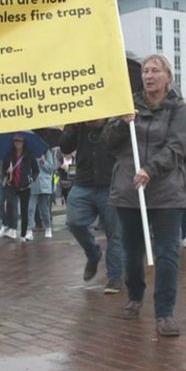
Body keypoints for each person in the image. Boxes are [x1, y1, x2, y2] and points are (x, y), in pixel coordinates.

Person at [102, 54, 186, 337]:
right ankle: (135, 294)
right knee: (132, 251)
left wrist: (151, 168)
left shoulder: (178, 109)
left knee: (167, 253)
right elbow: (107, 141)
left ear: (168, 76)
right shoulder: (128, 105)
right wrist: (120, 122)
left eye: (155, 71)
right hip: (130, 191)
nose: (149, 76)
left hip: (166, 193)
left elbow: (179, 145)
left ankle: (165, 312)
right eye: (145, 71)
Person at [60, 119, 125, 293]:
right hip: (83, 182)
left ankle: (115, 277)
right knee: (74, 222)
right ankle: (93, 252)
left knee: (115, 233)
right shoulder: (78, 119)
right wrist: (73, 125)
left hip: (110, 182)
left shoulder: (115, 120)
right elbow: (65, 147)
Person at [0, 134, 39, 241]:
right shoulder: (8, 155)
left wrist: (31, 179)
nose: (17, 143)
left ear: (23, 143)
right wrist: (7, 172)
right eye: (15, 141)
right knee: (11, 206)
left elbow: (36, 170)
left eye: (19, 141)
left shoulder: (29, 155)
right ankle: (12, 229)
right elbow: (3, 170)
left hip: (25, 186)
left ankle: (23, 234)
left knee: (24, 210)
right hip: (11, 184)